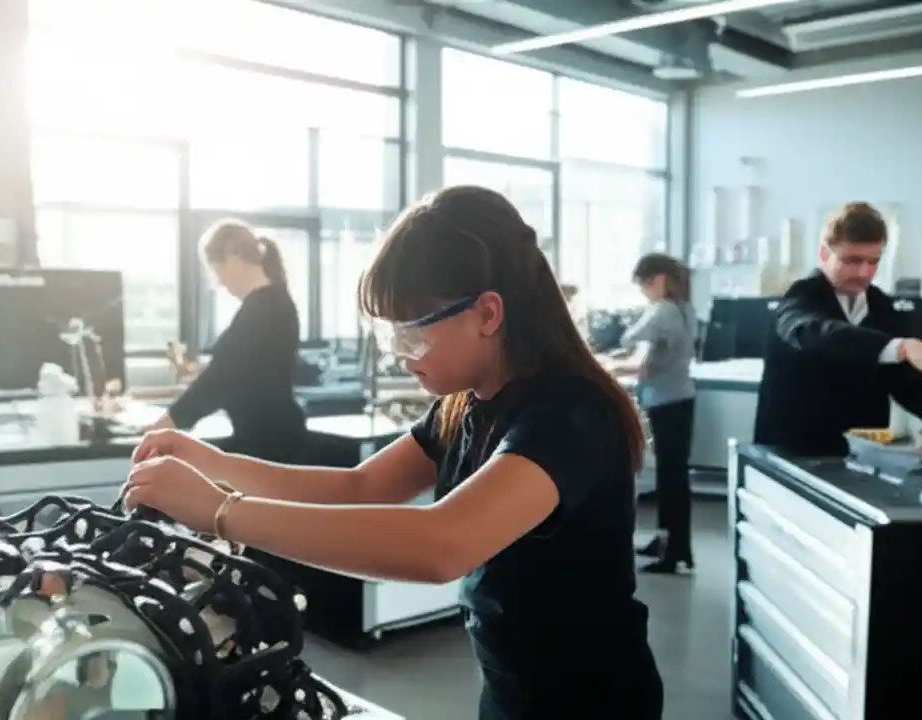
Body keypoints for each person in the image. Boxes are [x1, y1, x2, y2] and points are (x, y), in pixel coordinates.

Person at [123, 186, 664, 719]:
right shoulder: (464, 405)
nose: (402, 356)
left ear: (487, 313)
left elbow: (442, 544)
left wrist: (222, 512)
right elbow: (359, 486)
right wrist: (207, 461)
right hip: (511, 690)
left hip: (593, 701)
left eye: (412, 333)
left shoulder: (568, 413)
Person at [754, 201, 922, 457]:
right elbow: (817, 333)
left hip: (859, 453)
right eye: (852, 261)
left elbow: (899, 375)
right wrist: (904, 347)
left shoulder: (880, 305)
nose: (864, 273)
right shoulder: (800, 298)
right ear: (824, 253)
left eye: (873, 262)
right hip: (792, 451)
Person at [152, 219, 306, 463]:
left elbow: (221, 378)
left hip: (270, 444)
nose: (220, 282)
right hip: (270, 439)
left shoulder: (266, 308)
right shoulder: (269, 303)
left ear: (233, 258)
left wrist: (166, 423)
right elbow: (241, 369)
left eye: (216, 270)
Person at [608, 253, 699, 575]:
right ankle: (669, 543)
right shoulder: (684, 308)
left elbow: (635, 353)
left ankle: (675, 552)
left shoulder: (661, 311)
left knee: (671, 479)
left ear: (657, 280)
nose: (644, 294)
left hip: (666, 402)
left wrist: (606, 364)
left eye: (644, 287)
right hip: (680, 398)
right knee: (672, 477)